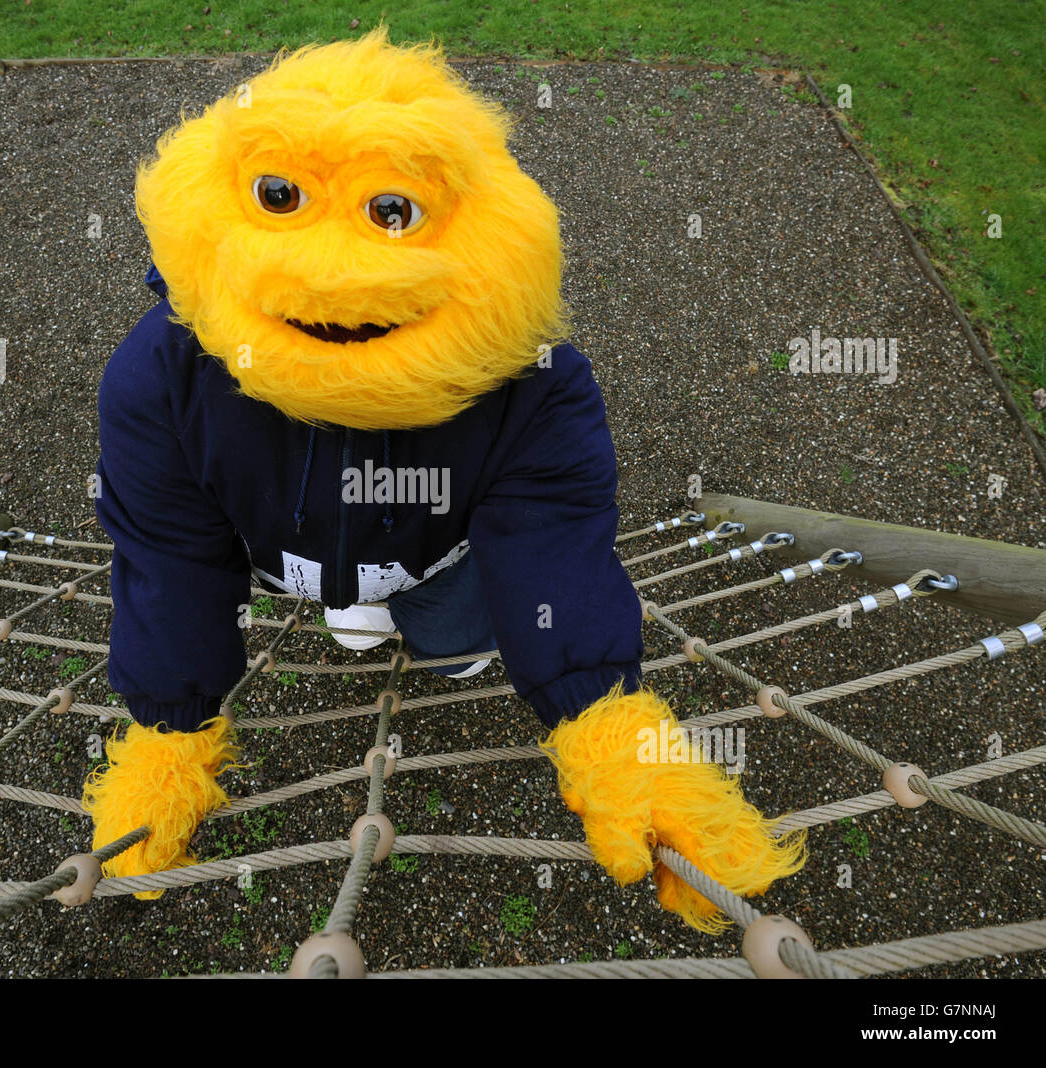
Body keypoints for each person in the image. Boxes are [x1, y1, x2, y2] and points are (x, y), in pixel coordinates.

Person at [83, 28, 805, 931]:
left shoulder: (534, 382)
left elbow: (552, 543)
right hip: (277, 545)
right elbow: (171, 557)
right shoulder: (162, 376)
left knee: (460, 627)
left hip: (439, 551)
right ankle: (352, 596)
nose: (333, 271)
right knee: (330, 600)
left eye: (394, 212)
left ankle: (418, 615)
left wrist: (611, 727)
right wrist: (168, 729)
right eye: (281, 197)